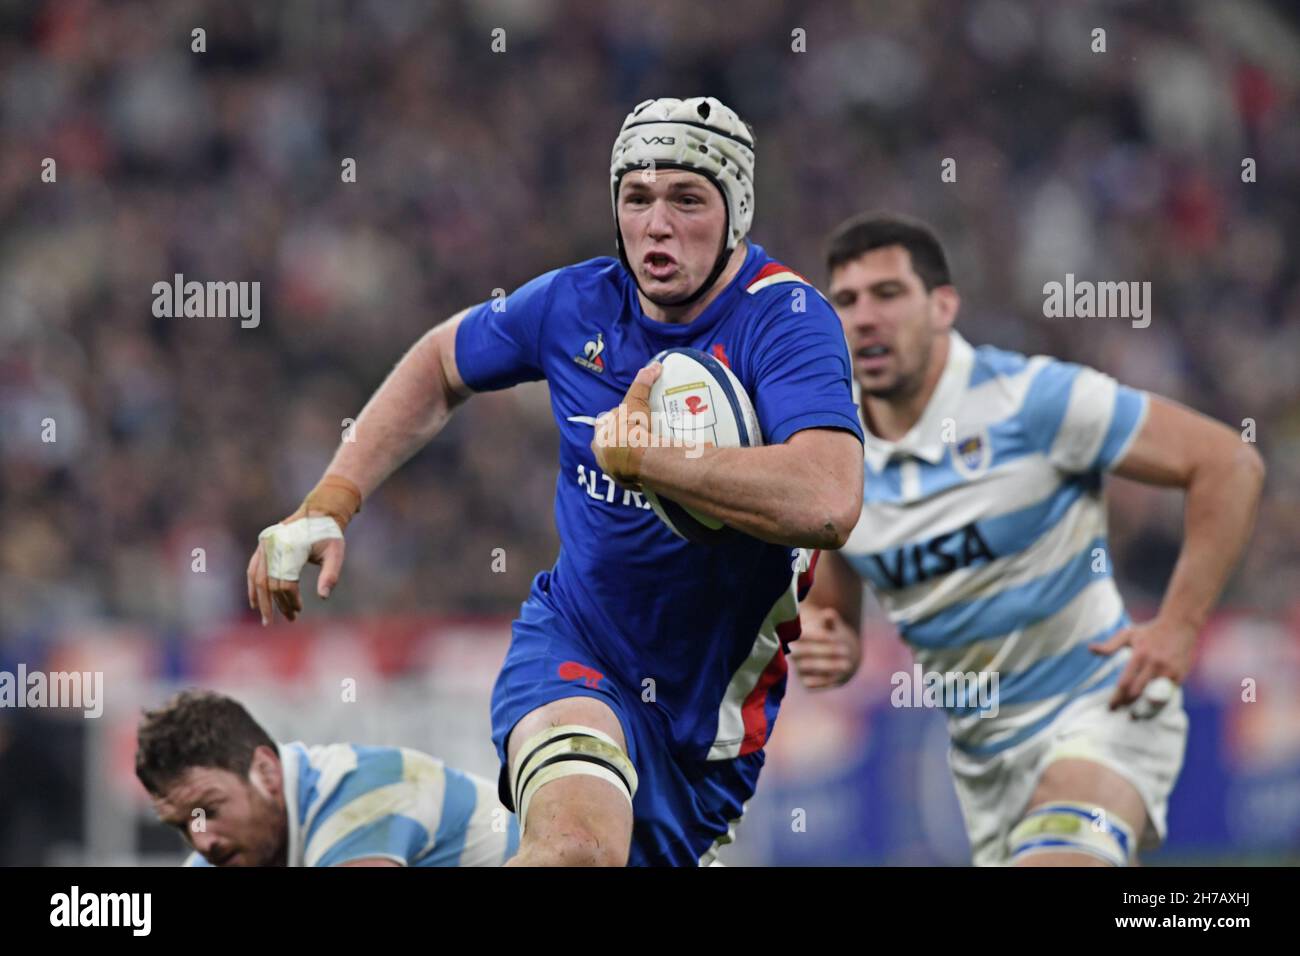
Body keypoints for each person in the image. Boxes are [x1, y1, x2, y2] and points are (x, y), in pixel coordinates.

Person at [246, 97, 865, 866]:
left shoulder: (789, 320)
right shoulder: (576, 304)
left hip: (705, 737)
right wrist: (330, 500)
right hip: (576, 648)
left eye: (687, 198)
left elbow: (829, 501)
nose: (656, 224)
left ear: (737, 211)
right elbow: (442, 362)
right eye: (636, 198)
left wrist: (655, 464)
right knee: (574, 850)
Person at [793, 212, 1264, 866]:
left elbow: (1229, 463)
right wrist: (831, 642)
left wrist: (1180, 626)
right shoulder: (834, 453)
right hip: (983, 764)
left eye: (888, 294)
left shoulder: (1029, 398)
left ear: (942, 306)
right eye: (846, 301)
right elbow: (833, 608)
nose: (865, 316)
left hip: (1101, 715)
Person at [137, 689, 517, 867]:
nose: (202, 840)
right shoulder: (223, 856)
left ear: (266, 773)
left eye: (210, 810)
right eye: (183, 825)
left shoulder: (362, 798)